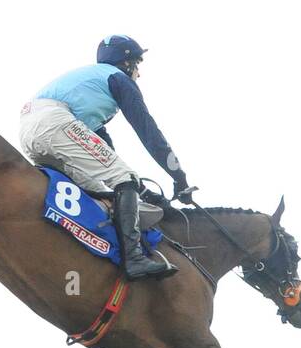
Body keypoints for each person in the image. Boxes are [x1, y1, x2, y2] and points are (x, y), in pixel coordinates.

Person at [20, 35, 191, 281]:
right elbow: (148, 132)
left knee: (99, 187)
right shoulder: (119, 79)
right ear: (126, 62)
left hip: (30, 131)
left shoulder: (91, 83)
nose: (139, 74)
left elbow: (105, 153)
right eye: (137, 65)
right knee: (125, 177)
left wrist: (143, 193)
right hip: (55, 124)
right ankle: (134, 259)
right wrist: (179, 177)